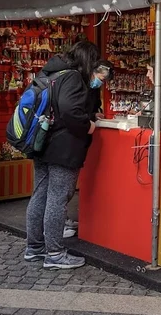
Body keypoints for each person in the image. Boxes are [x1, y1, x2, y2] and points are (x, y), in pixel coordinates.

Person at [24, 41, 103, 270]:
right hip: (63, 147)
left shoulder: (48, 72)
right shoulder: (72, 77)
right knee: (57, 199)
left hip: (41, 142)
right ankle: (55, 253)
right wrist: (87, 126)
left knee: (40, 195)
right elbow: (69, 110)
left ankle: (34, 247)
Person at [63, 59, 112, 239]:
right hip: (68, 146)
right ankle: (56, 229)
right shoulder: (77, 85)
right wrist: (89, 121)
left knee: (63, 189)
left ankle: (60, 221)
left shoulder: (88, 87)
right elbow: (74, 113)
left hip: (70, 145)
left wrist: (92, 115)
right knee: (61, 190)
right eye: (101, 78)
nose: (101, 82)